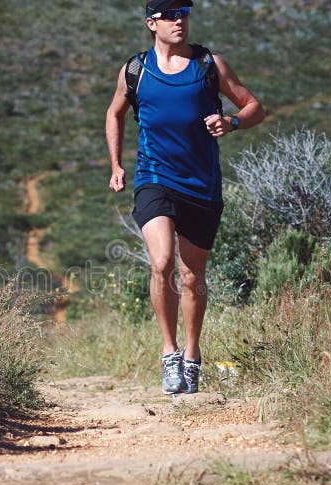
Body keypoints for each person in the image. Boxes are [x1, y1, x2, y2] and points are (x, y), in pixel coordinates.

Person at [105, 0, 264, 394]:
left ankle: (192, 357)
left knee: (192, 276)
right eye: (171, 15)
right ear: (151, 23)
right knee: (161, 263)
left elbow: (255, 107)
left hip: (202, 184)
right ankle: (169, 354)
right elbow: (115, 113)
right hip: (154, 178)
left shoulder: (211, 66)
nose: (180, 21)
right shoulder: (135, 71)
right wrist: (116, 165)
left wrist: (233, 121)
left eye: (185, 14)